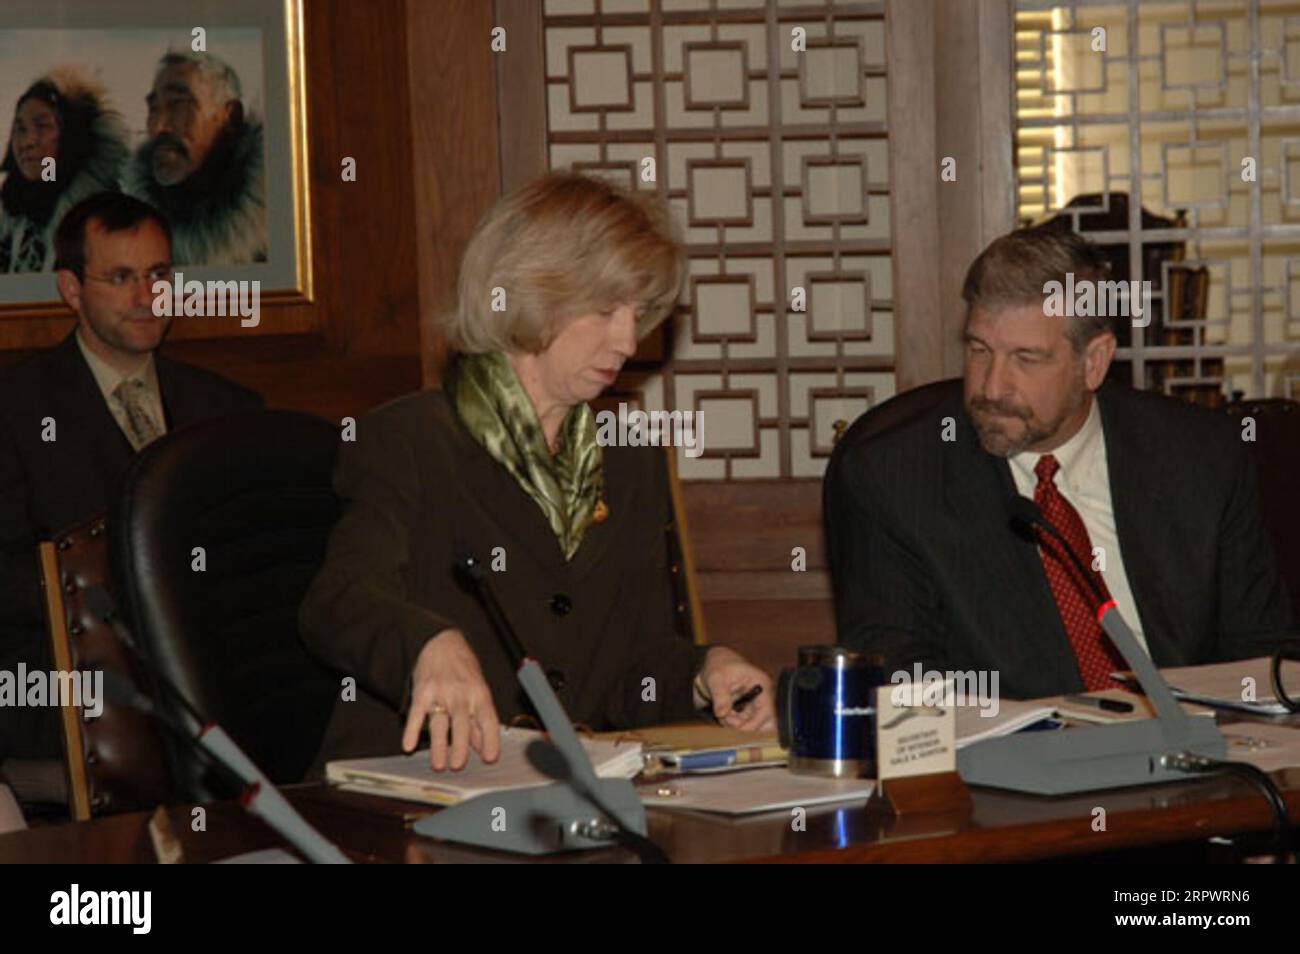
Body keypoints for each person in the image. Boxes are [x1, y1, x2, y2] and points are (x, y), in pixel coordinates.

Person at [301, 172, 776, 772]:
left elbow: (632, 665)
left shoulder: (630, 458)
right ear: (532, 294)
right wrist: (427, 642)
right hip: (411, 785)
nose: (629, 340)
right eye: (606, 310)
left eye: (638, 313)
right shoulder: (410, 439)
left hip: (557, 792)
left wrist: (704, 672)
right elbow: (338, 601)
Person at [825, 226, 1295, 698]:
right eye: (979, 350)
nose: (991, 387)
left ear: (1094, 361)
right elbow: (900, 683)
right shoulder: (894, 476)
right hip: (1006, 760)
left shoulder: (1201, 458)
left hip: (1195, 751)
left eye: (1026, 359)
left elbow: (1265, 659)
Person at [0, 191, 262, 775]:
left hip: (221, 692)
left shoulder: (231, 409)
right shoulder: (15, 410)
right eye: (121, 277)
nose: (149, 297)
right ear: (71, 290)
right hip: (72, 698)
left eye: (159, 274)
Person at [123, 50, 265, 265]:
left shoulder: (282, 230)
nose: (158, 126)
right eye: (154, 108)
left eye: (178, 105)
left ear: (230, 118)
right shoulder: (129, 237)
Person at [0, 69, 129, 273]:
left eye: (42, 126)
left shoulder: (103, 216)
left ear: (70, 136)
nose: (28, 142)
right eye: (20, 129)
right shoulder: (8, 219)